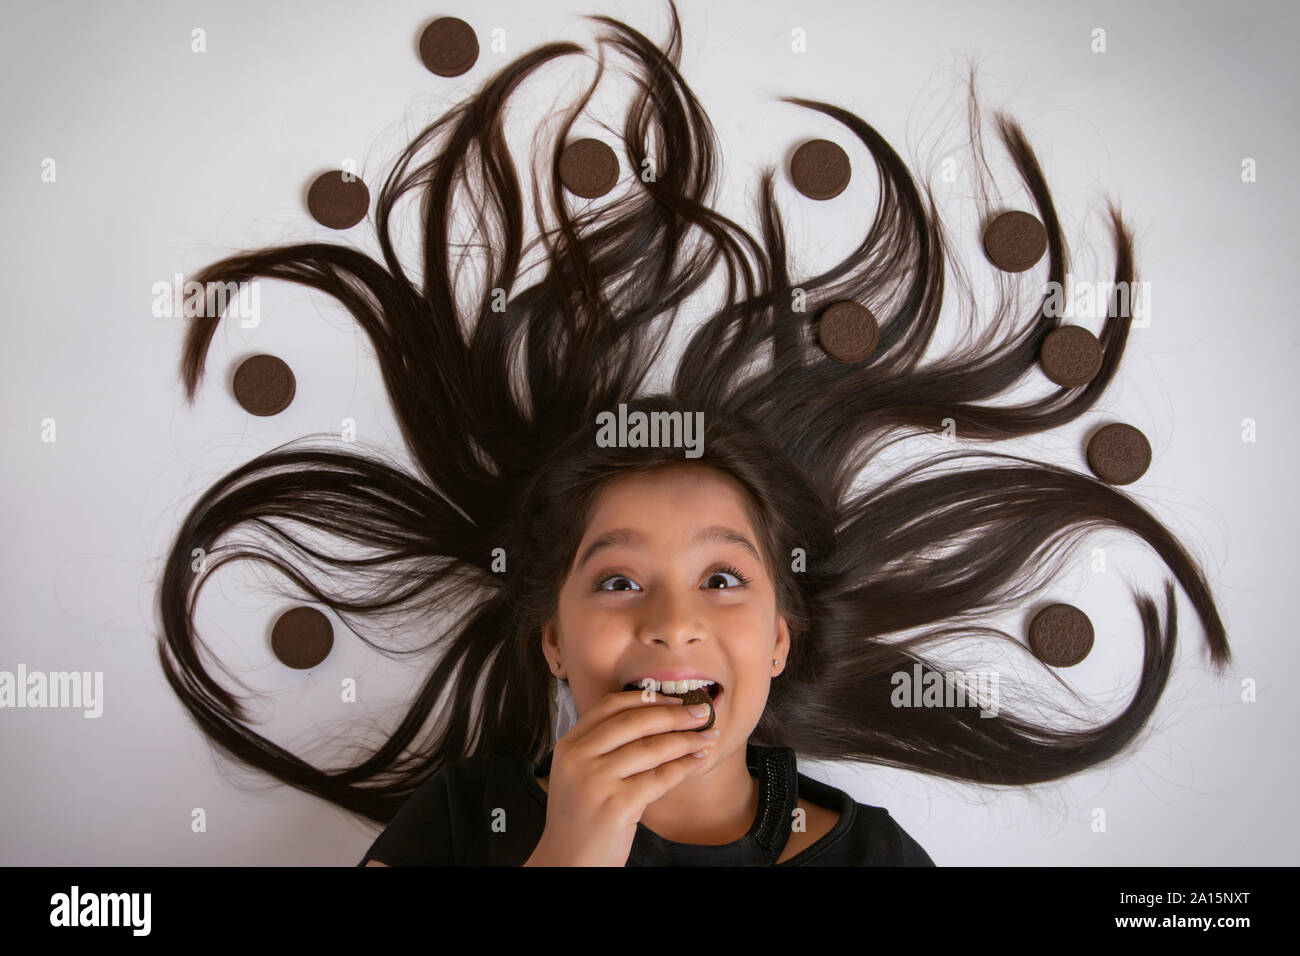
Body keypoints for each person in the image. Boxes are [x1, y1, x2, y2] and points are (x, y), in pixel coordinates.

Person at [157, 0, 1230, 867]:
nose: (672, 623)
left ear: (777, 637)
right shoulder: (457, 823)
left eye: (724, 580)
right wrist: (574, 849)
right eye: (618, 581)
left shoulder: (870, 857)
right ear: (552, 639)